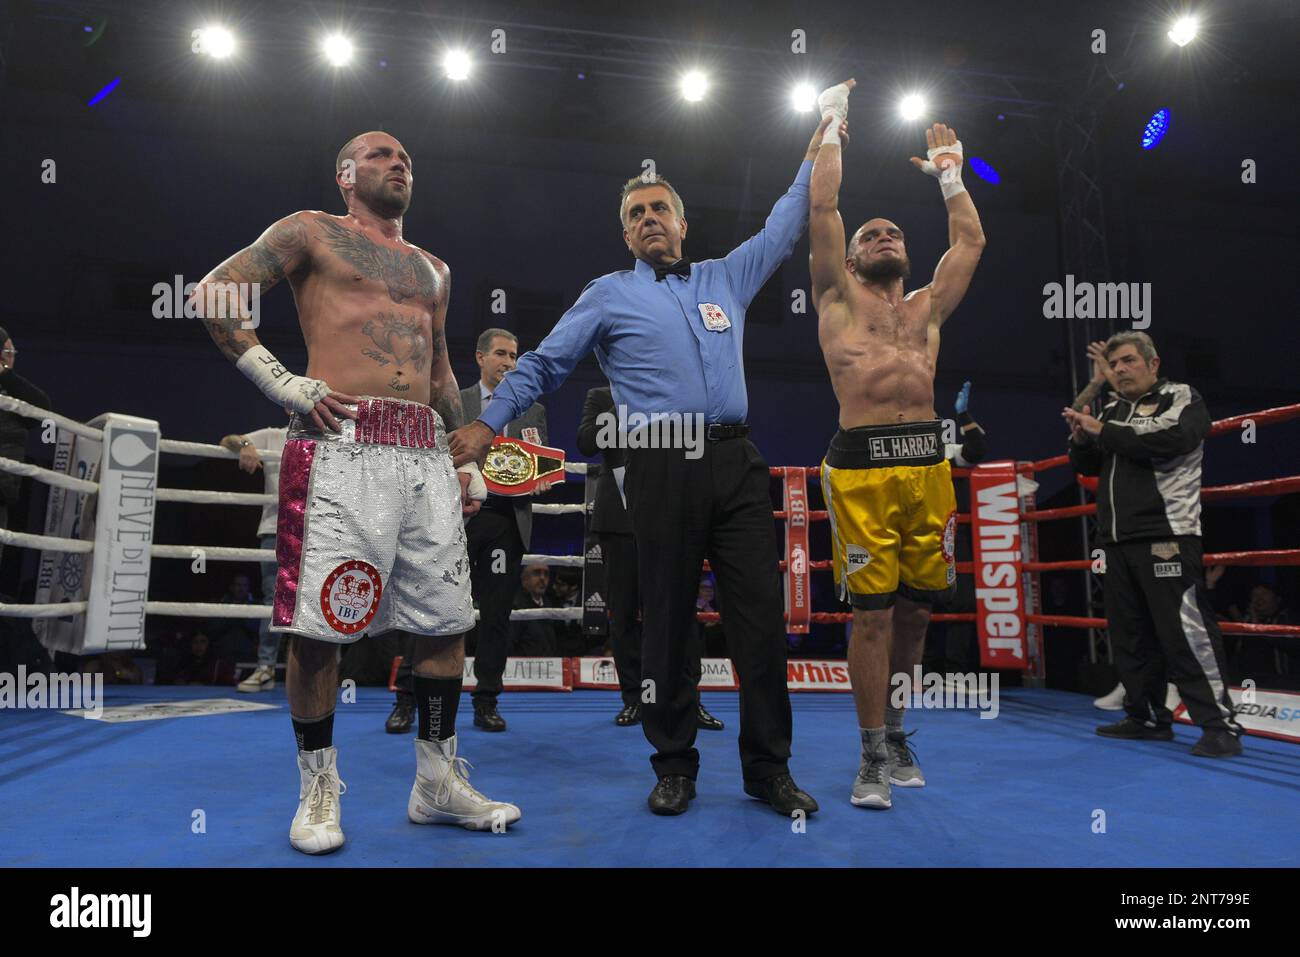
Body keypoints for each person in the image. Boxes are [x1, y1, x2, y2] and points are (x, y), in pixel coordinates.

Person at [450, 107, 852, 818]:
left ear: (682, 222)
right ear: (626, 231)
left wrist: (821, 138)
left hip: (735, 460)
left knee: (759, 621)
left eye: (659, 208)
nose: (648, 219)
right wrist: (488, 419)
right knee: (665, 624)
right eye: (635, 213)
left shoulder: (728, 276)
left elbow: (790, 217)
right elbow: (544, 364)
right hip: (660, 466)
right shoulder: (608, 294)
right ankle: (673, 764)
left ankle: (768, 768)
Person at [191, 130, 519, 855]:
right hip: (340, 443)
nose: (398, 164)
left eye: (406, 158)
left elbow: (436, 369)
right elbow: (214, 293)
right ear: (345, 175)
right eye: (379, 155)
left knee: (446, 622)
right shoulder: (311, 231)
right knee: (319, 628)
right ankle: (316, 786)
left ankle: (435, 780)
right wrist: (281, 382)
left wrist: (462, 459)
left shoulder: (435, 268)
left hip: (423, 451)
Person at [809, 78, 987, 809]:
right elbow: (822, 208)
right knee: (874, 611)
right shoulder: (835, 299)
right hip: (861, 470)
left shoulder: (928, 308)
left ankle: (900, 728)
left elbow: (971, 240)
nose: (884, 237)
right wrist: (829, 123)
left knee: (919, 609)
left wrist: (951, 175)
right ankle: (870, 753)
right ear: (849, 260)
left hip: (929, 464)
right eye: (870, 235)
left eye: (894, 233)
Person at [1064, 331, 1243, 757]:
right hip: (1115, 539)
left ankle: (1220, 726)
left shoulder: (1180, 397)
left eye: (1128, 361)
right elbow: (1087, 464)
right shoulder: (1111, 407)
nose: (1121, 370)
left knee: (1185, 631)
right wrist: (1082, 439)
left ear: (1153, 363)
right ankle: (1145, 716)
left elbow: (1173, 441)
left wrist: (1102, 429)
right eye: (1115, 365)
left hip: (1167, 535)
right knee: (1130, 634)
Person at [386, 328, 551, 734]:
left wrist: (544, 477)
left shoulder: (532, 409)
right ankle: (406, 699)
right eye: (500, 353)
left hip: (506, 520)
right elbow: (433, 452)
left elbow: (540, 460)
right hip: (455, 515)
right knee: (430, 606)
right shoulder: (456, 401)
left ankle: (487, 700)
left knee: (496, 614)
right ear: (480, 357)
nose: (509, 362)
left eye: (514, 355)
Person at [577, 384, 723, 730]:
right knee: (625, 614)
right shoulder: (600, 396)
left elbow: (695, 445)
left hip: (670, 514)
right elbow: (585, 441)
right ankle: (635, 699)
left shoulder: (670, 391)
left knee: (680, 611)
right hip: (621, 518)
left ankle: (689, 700)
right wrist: (624, 405)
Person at [220, 424, 287, 692]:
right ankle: (265, 668)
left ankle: (317, 672)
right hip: (275, 529)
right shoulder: (273, 436)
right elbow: (228, 437)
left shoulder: (331, 438)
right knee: (273, 599)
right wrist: (246, 446)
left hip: (319, 528)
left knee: (317, 600)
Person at [0, 326, 51, 573]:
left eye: (11, 351)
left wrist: (5, 375)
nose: (12, 356)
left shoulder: (15, 392)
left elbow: (42, 411)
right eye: (8, 351)